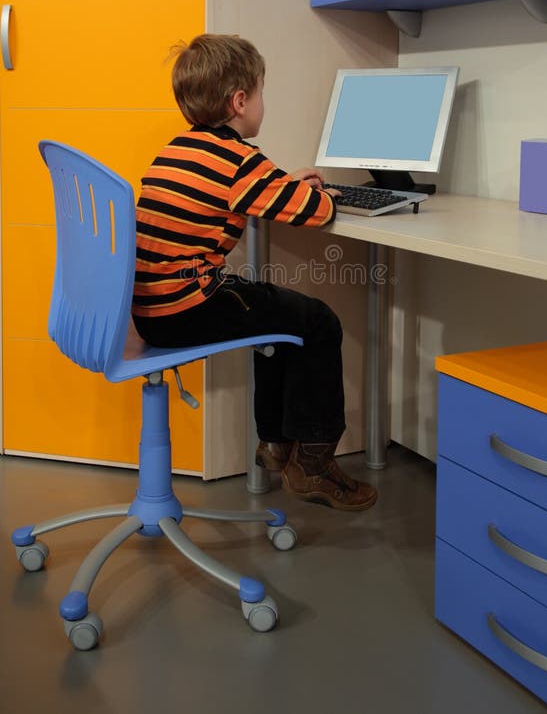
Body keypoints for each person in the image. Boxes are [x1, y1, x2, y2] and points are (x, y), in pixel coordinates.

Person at [132, 34, 377, 512]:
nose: (263, 102)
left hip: (153, 308)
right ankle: (313, 460)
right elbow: (316, 211)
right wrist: (317, 192)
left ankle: (276, 445)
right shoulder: (239, 159)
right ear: (240, 101)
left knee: (275, 318)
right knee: (317, 321)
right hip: (189, 306)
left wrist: (285, 186)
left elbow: (263, 193)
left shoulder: (177, 150)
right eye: (261, 92)